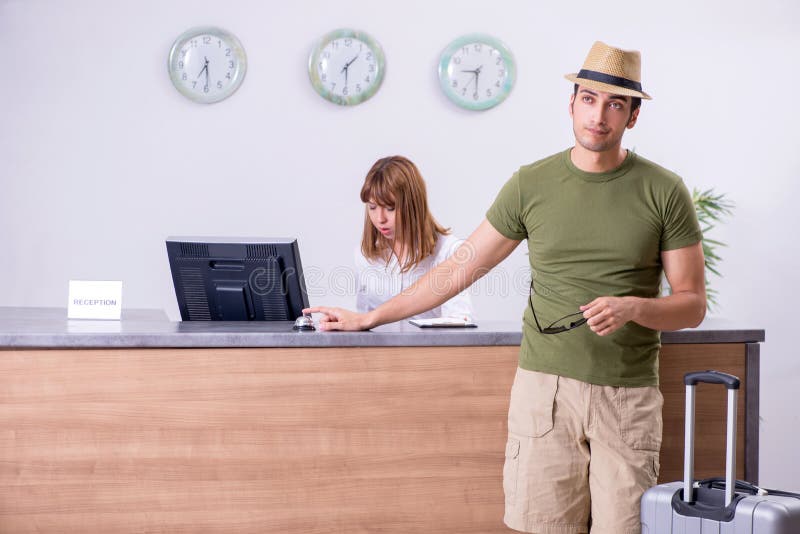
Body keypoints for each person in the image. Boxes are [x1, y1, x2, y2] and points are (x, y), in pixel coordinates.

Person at [306, 41, 706, 534]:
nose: (598, 115)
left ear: (633, 116)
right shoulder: (531, 184)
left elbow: (691, 304)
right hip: (543, 392)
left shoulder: (664, 191)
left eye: (615, 103)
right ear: (571, 103)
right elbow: (459, 269)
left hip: (625, 400)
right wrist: (370, 317)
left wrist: (633, 308)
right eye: (588, 99)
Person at [355, 155, 472, 320]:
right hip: (381, 347)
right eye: (372, 207)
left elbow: (459, 320)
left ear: (413, 205)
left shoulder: (448, 251)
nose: (380, 218)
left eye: (390, 208)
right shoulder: (366, 255)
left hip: (432, 346)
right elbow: (363, 320)